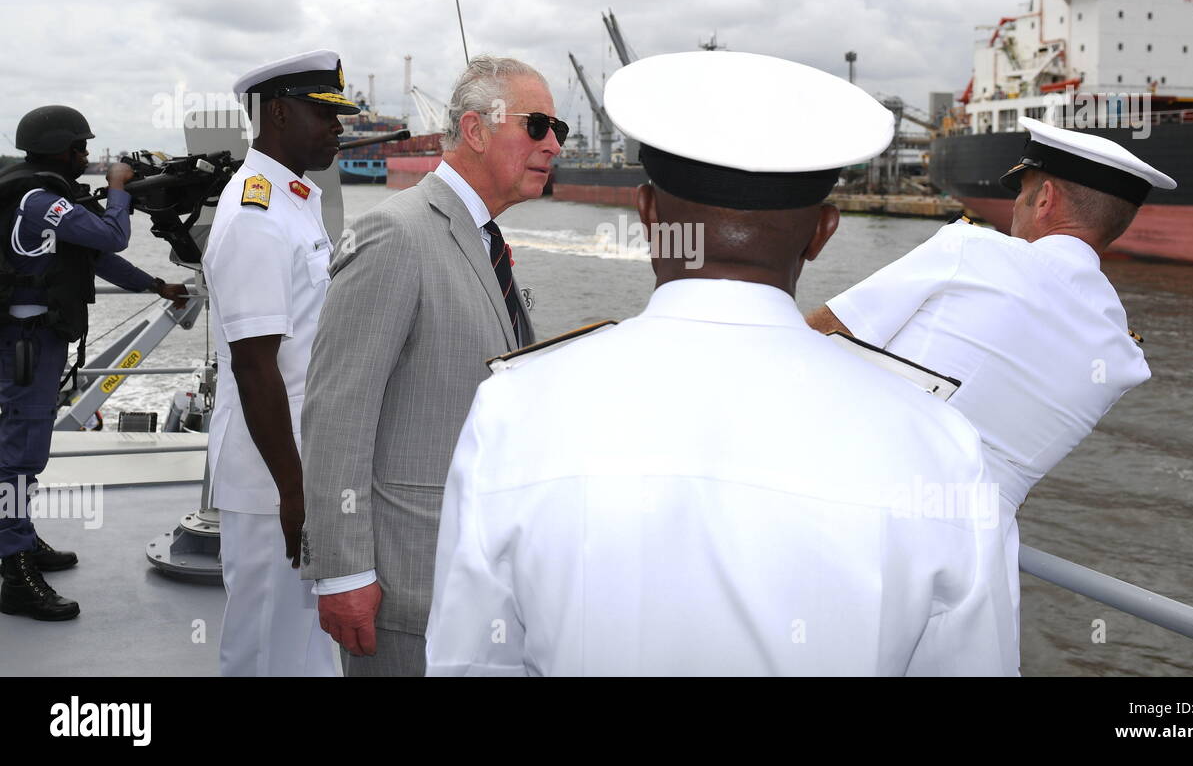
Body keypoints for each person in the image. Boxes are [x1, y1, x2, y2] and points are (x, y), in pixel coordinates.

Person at [424, 51, 1018, 676]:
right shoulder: (937, 443)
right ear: (823, 232)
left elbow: (471, 661)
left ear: (649, 215)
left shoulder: (516, 410)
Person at [806, 117, 1177, 659]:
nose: (1015, 212)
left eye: (1022, 195)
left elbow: (816, 335)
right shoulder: (1121, 352)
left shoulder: (969, 251)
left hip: (859, 521)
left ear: (1046, 197)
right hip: (977, 567)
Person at [301, 55, 562, 676]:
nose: (554, 143)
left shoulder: (483, 240)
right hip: (407, 583)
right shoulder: (396, 235)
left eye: (559, 131)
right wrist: (344, 573)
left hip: (478, 574)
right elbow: (337, 412)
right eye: (538, 125)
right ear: (475, 130)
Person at [202, 49, 357, 676]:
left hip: (297, 458)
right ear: (282, 113)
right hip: (272, 476)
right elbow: (254, 366)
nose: (338, 129)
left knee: (302, 645)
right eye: (326, 115)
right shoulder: (255, 216)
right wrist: (292, 491)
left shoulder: (294, 200)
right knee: (266, 648)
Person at [0, 105, 185, 621]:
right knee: (19, 455)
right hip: (25, 343)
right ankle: (13, 570)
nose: (86, 155)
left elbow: (95, 257)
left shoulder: (45, 196)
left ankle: (20, 540)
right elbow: (111, 236)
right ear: (62, 149)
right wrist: (120, 186)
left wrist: (153, 285)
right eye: (82, 147)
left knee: (24, 450)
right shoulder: (37, 198)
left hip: (37, 339)